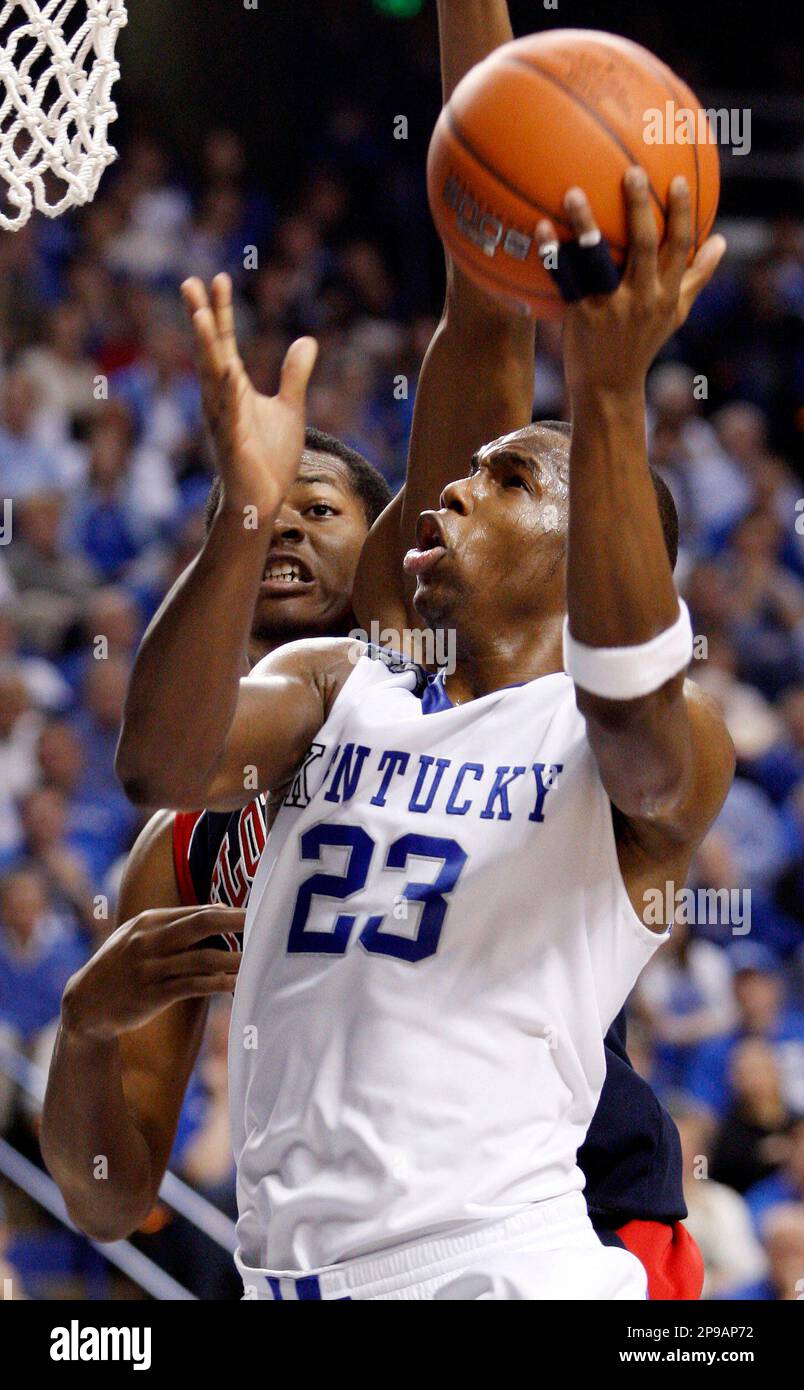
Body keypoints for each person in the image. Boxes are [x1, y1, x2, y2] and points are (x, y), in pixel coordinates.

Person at [44, 4, 721, 1301]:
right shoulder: (261, 752)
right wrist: (82, 1023)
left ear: (386, 554)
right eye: (261, 512)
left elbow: (485, 302)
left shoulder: (460, 665)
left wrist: (476, 32)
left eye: (328, 511)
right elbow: (109, 1193)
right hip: (316, 1264)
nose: (287, 528)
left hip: (558, 1214)